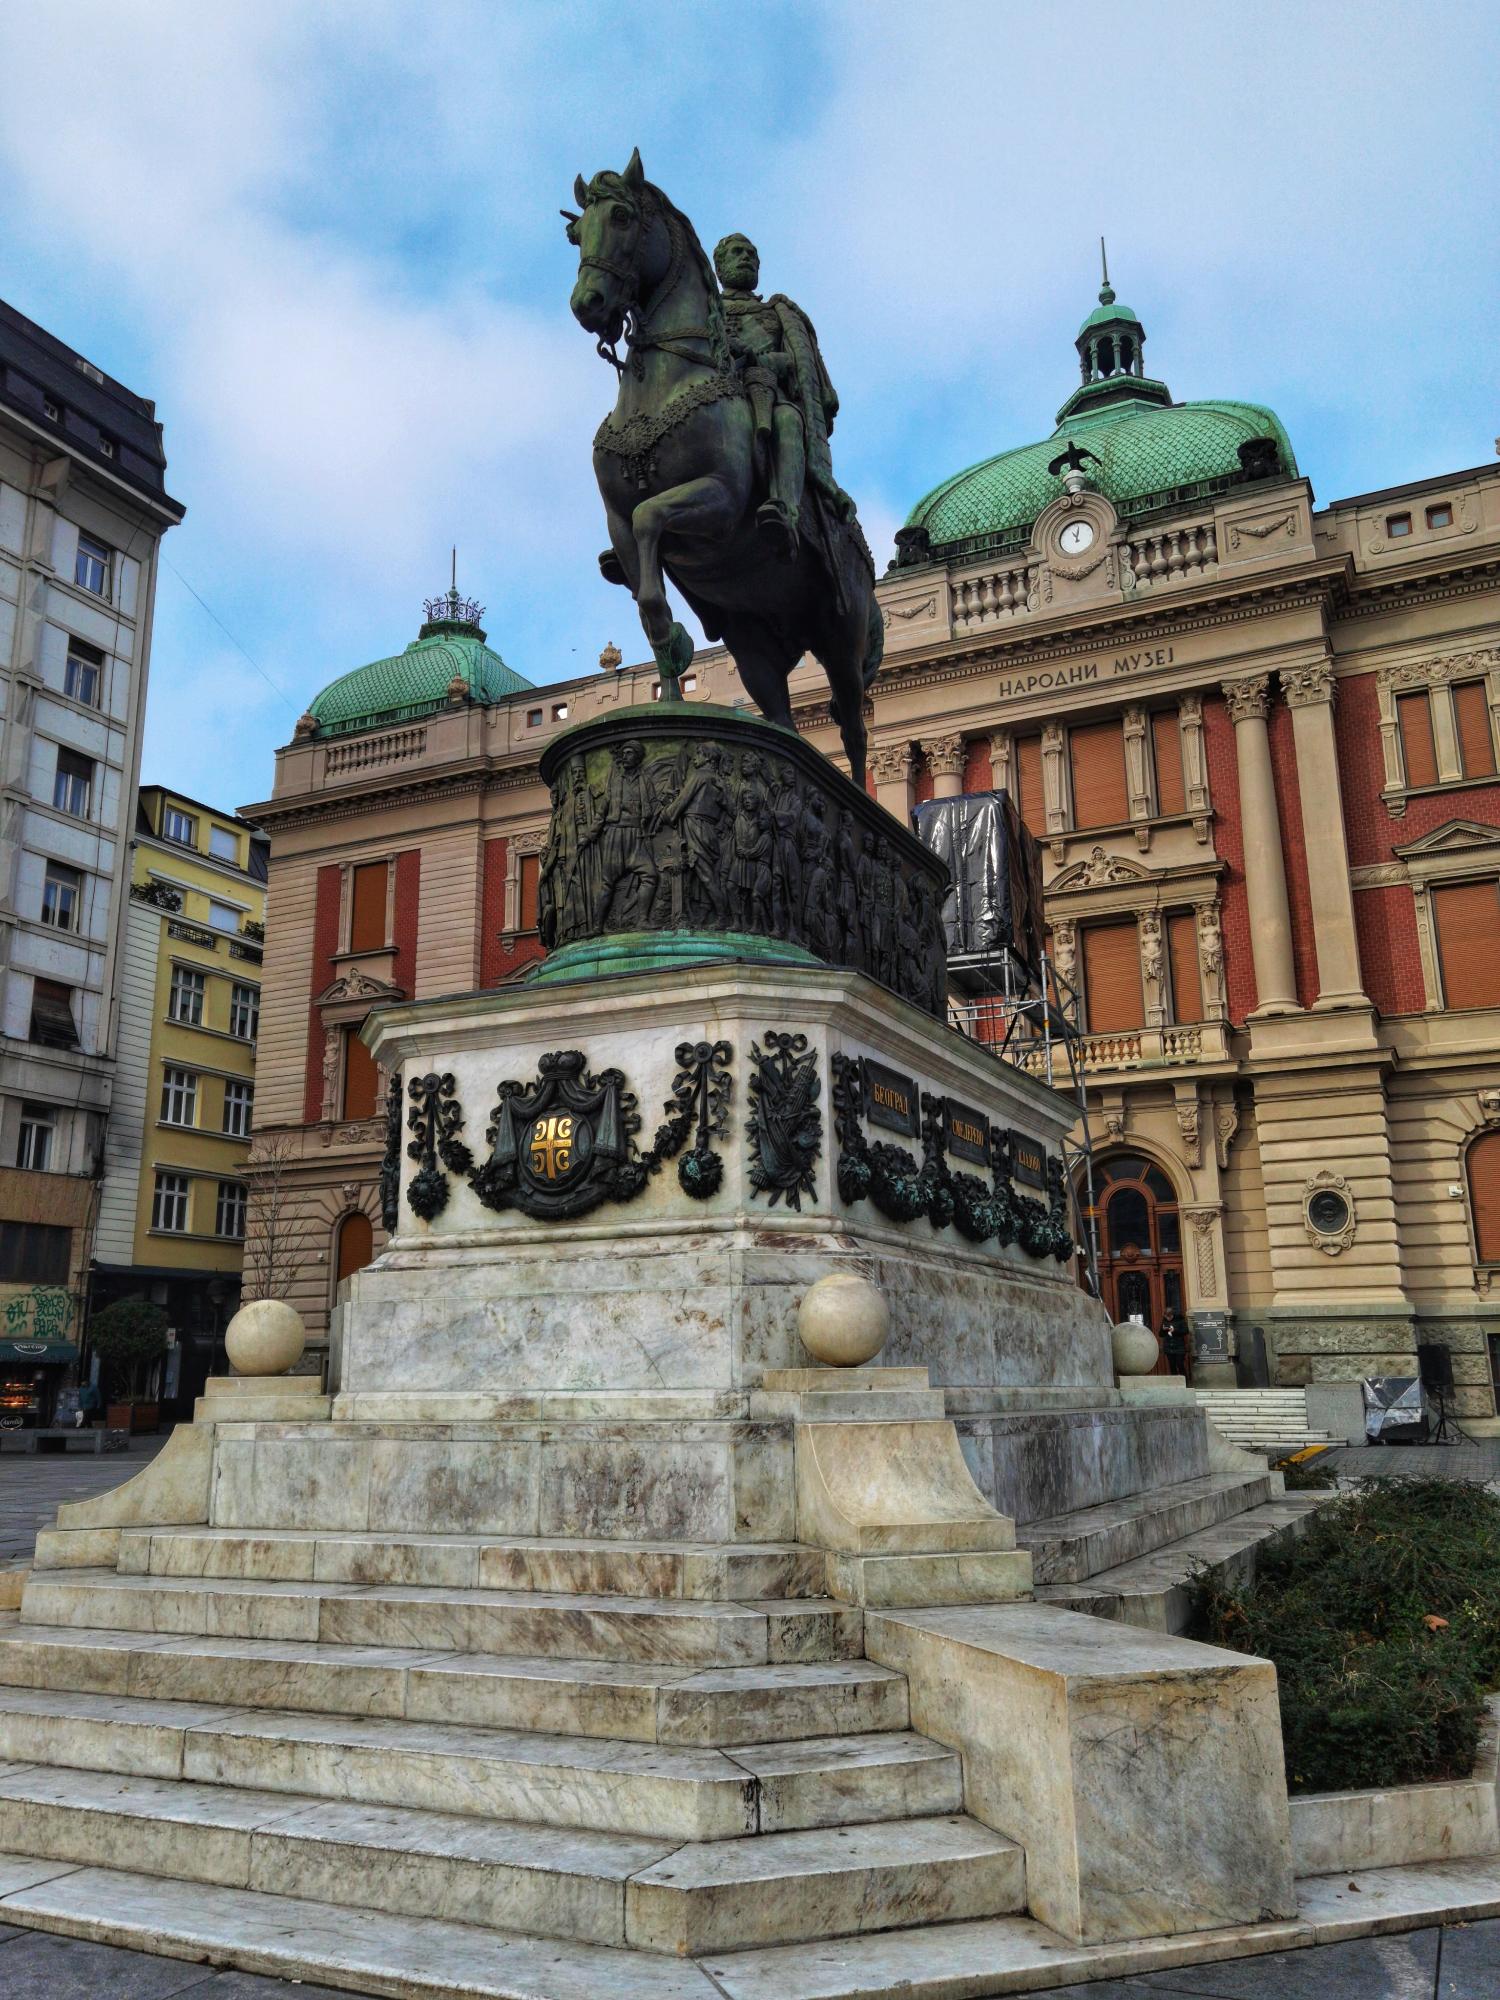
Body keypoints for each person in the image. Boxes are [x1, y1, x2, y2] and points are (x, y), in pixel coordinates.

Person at [1159, 1307, 1187, 1380]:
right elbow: (1160, 1334)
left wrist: (1175, 1330)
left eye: (1169, 1317)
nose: (1168, 1319)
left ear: (1172, 1315)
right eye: (1166, 1317)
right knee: (1172, 1366)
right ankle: (1175, 1382)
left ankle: (1185, 1382)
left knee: (1180, 1364)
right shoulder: (1164, 1321)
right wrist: (1163, 1330)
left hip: (1179, 1347)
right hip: (1169, 1347)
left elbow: (1185, 1331)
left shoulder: (1180, 1319)